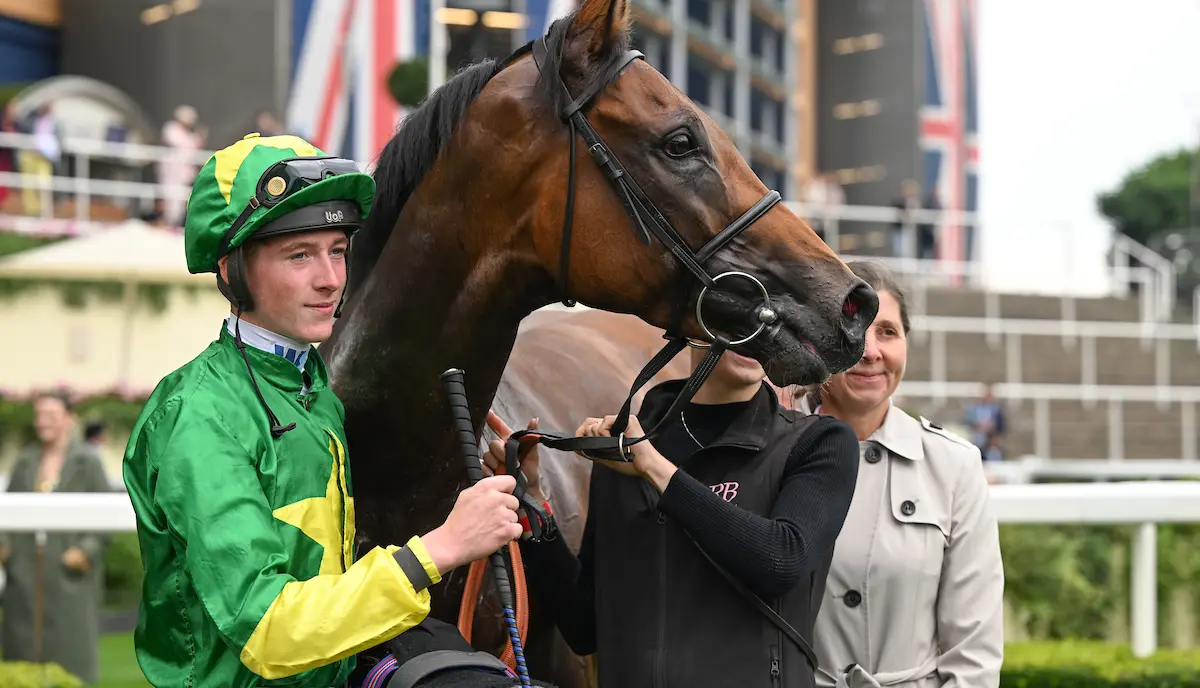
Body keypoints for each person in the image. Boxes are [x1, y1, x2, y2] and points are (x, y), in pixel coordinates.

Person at [122, 133, 524, 688]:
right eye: (300, 255)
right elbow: (268, 627)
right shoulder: (198, 416)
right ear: (232, 271)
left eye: (337, 250)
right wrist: (441, 547)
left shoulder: (313, 391)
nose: (331, 279)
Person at [484, 344, 861, 688]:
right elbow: (585, 626)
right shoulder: (623, 450)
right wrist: (530, 501)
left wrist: (655, 469)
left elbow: (780, 561)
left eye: (764, 324)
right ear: (692, 325)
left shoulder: (819, 442)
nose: (751, 336)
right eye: (734, 315)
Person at [788, 260, 1004, 688]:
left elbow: (974, 657)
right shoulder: (770, 451)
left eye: (887, 331)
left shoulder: (953, 467)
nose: (870, 351)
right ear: (814, 342)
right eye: (851, 328)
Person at [0, 390, 111, 684]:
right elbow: (7, 512)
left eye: (50, 415)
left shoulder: (87, 462)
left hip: (68, 572)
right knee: (22, 648)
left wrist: (84, 552)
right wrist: (5, 548)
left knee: (71, 650)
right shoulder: (25, 461)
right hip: (24, 572)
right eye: (38, 415)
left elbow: (105, 516)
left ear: (69, 419)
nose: (42, 422)